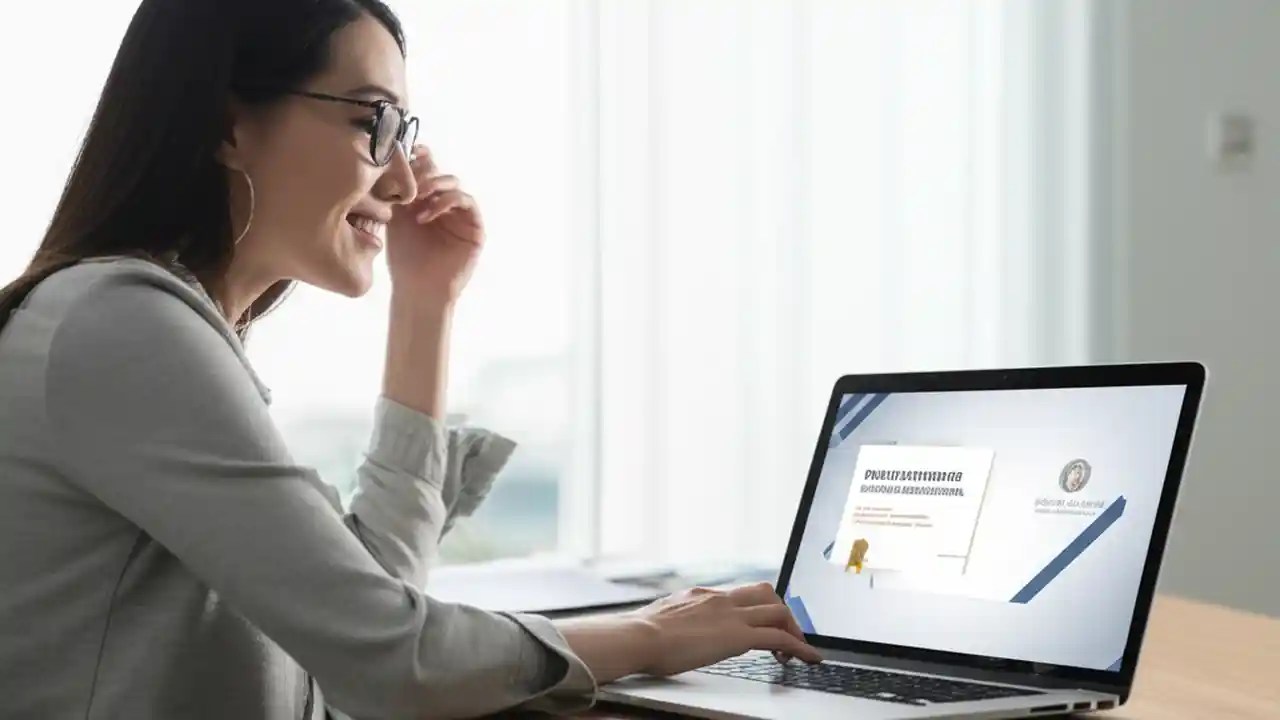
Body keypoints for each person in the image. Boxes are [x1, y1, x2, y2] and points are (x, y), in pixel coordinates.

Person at [0, 1, 821, 718]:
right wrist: (648, 634)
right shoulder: (122, 327)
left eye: (406, 133)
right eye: (372, 121)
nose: (400, 181)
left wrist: (424, 307)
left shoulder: (150, 326)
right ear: (226, 122)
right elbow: (391, 659)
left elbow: (367, 609)